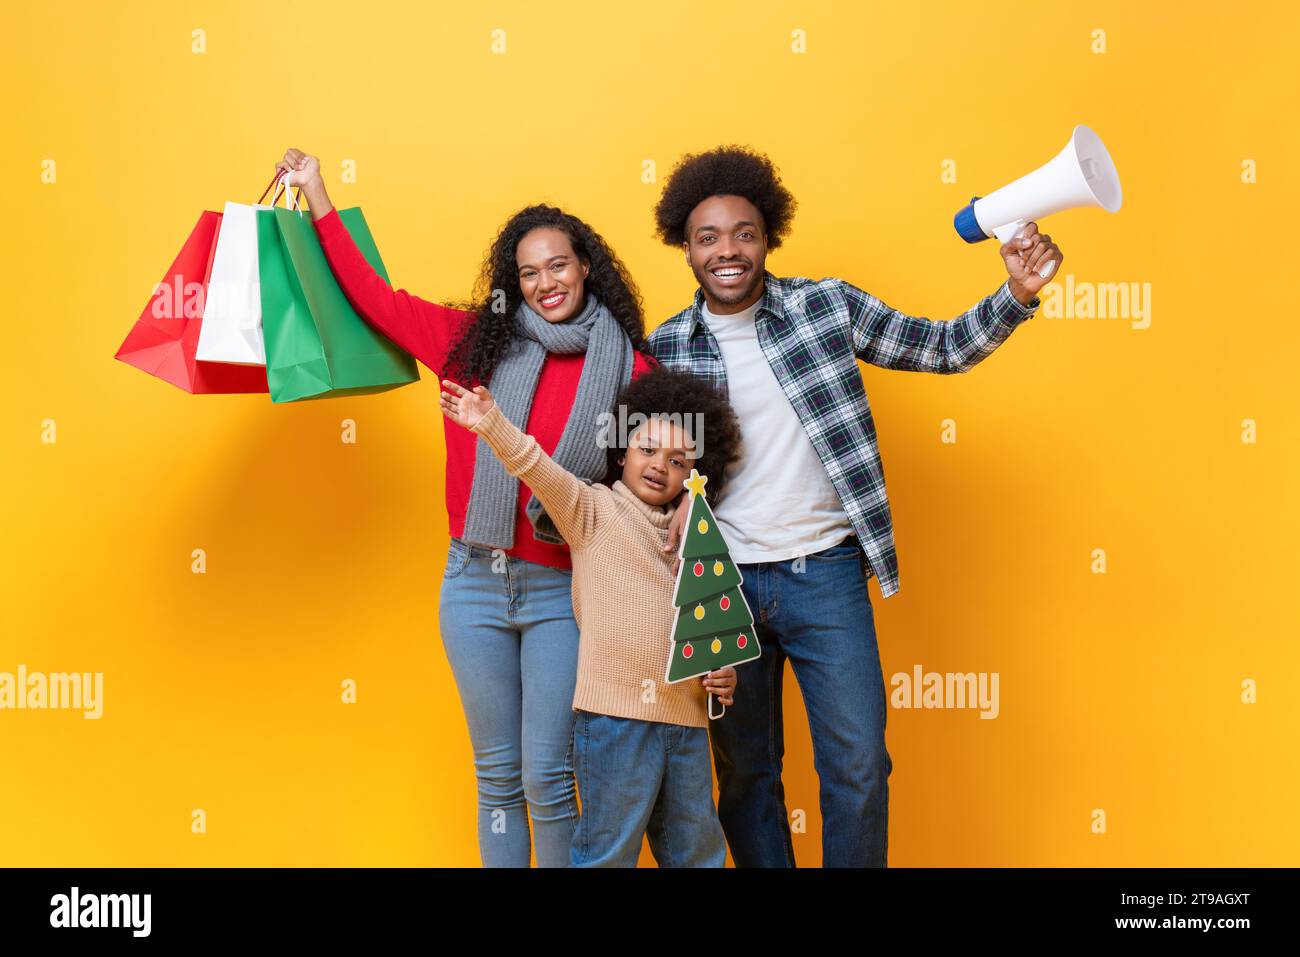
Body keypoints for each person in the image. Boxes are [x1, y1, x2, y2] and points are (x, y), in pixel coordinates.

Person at [647, 145, 1062, 867]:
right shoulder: (664, 346)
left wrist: (1016, 294)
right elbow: (639, 470)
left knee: (860, 767)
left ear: (769, 235)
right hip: (724, 583)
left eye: (743, 232)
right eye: (708, 237)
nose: (727, 250)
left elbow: (939, 348)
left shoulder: (825, 306)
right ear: (684, 247)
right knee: (746, 776)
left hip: (826, 575)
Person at [275, 148, 659, 867]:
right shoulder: (471, 344)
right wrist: (318, 195)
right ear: (514, 285)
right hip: (472, 583)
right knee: (498, 780)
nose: (547, 282)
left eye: (559, 265)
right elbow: (372, 298)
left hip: (562, 589)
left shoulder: (632, 369)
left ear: (587, 268)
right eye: (529, 272)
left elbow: (650, 491)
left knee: (549, 778)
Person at [440, 366, 746, 867]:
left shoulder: (699, 538)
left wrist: (724, 673)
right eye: (647, 450)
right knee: (606, 855)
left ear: (694, 473)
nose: (658, 466)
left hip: (687, 723)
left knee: (699, 856)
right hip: (615, 722)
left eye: (677, 460)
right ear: (623, 451)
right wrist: (491, 422)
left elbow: (716, 627)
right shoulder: (591, 511)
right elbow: (537, 466)